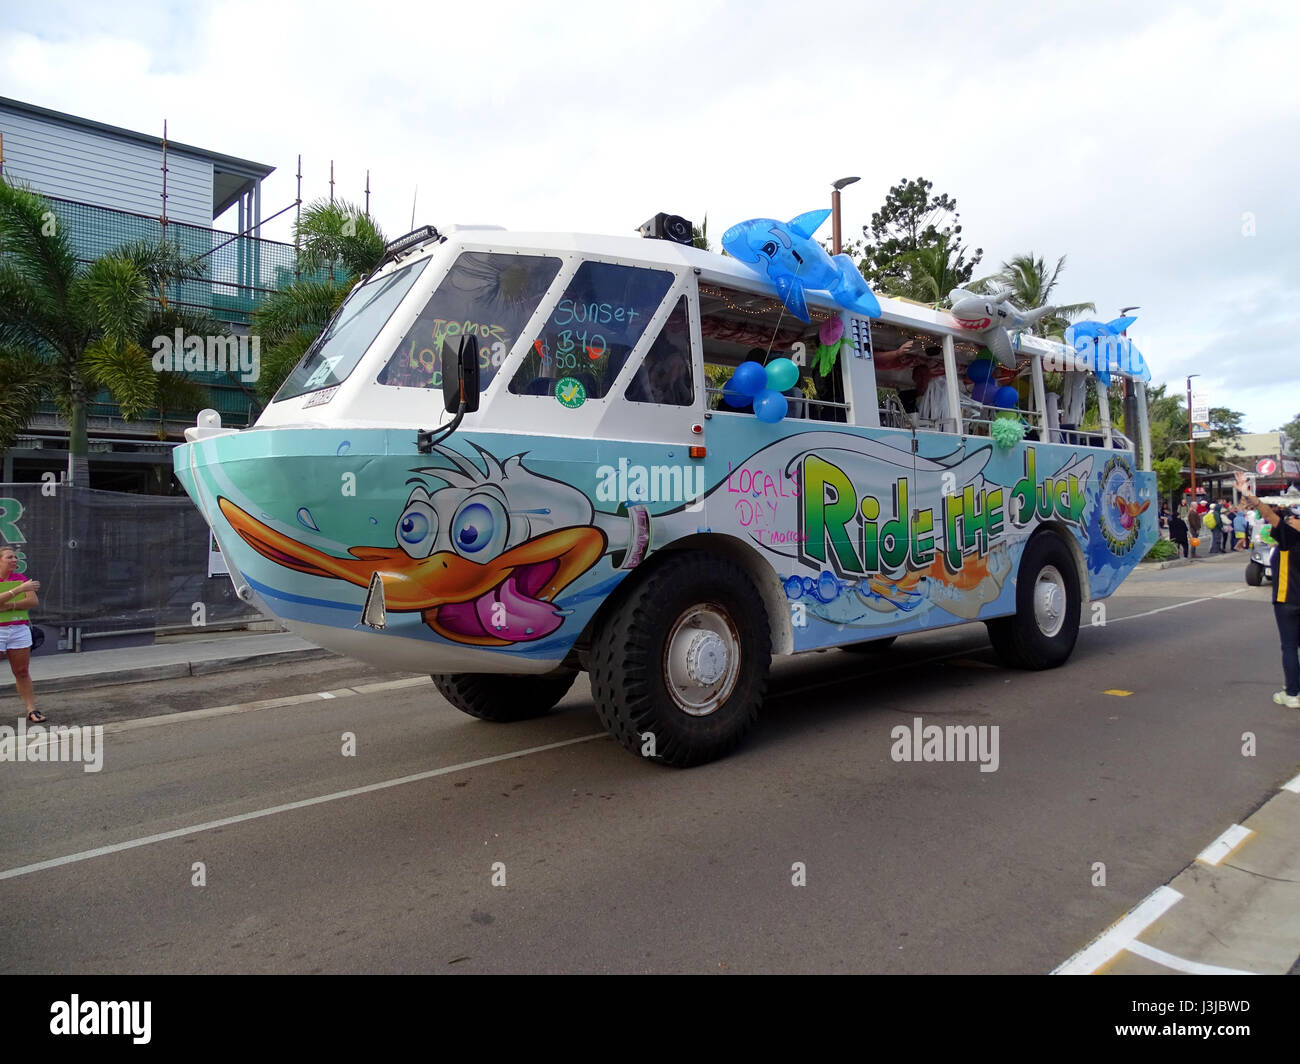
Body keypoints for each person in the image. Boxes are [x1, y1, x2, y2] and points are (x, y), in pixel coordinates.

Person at [1236, 473, 1300, 708]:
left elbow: (1268, 514)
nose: (1289, 519)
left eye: (1293, 517)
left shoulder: (1290, 536)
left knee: (1290, 647)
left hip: (1287, 600)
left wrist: (1247, 493)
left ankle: (1292, 693)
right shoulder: (1287, 535)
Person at [0, 545, 44, 723]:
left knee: (22, 671)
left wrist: (8, 605)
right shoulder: (21, 584)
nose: (14, 560)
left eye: (15, 557)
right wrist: (18, 591)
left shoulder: (20, 578)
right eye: (9, 557)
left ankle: (31, 709)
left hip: (19, 629)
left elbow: (32, 601)